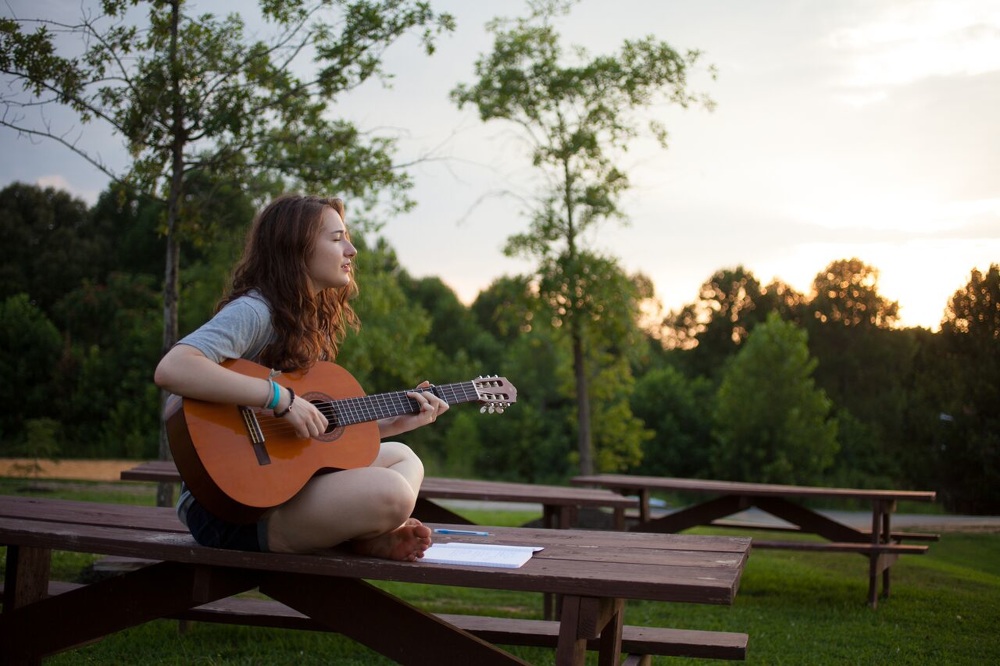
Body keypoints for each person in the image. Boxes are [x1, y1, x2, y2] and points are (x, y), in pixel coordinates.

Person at [154, 194, 447, 561]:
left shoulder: (309, 327)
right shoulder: (256, 310)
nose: (352, 250)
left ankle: (363, 538)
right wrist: (279, 399)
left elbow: (313, 440)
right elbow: (174, 367)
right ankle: (334, 536)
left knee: (404, 458)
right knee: (394, 492)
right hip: (228, 509)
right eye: (337, 238)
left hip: (283, 488)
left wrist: (391, 423)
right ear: (297, 248)